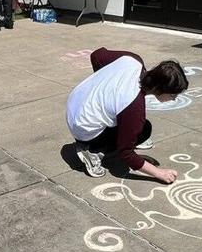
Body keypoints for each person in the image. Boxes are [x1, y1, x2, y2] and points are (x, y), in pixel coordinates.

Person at [67, 48, 189, 184]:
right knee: (143, 130)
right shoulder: (133, 105)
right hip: (83, 128)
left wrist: (102, 86)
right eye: (172, 95)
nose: (174, 99)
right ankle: (92, 149)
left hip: (75, 102)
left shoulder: (133, 60)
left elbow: (97, 55)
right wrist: (159, 173)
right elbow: (126, 153)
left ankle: (95, 136)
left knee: (137, 127)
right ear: (160, 88)